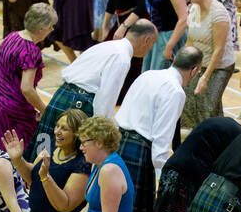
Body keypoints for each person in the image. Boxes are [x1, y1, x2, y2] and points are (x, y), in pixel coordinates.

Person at [35, 22, 155, 150]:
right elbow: (105, 98)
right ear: (146, 40)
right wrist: (101, 132)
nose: (150, 49)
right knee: (63, 159)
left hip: (63, 95)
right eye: (152, 44)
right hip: (79, 105)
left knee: (42, 152)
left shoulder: (109, 45)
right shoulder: (122, 58)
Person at [114, 48, 199, 212]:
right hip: (140, 152)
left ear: (174, 59)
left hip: (118, 142)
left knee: (114, 207)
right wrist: (164, 180)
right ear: (195, 70)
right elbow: (162, 138)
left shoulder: (149, 74)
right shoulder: (176, 91)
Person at [0, 2, 57, 150]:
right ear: (41, 29)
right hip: (17, 111)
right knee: (18, 153)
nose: (52, 30)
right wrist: (44, 110)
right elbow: (26, 88)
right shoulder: (31, 51)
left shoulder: (10, 37)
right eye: (51, 26)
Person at [180, 0, 236, 125]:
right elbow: (190, 41)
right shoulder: (194, 9)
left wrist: (205, 77)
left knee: (206, 107)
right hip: (199, 64)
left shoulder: (218, 13)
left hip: (220, 67)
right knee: (189, 104)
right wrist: (183, 67)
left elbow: (219, 49)